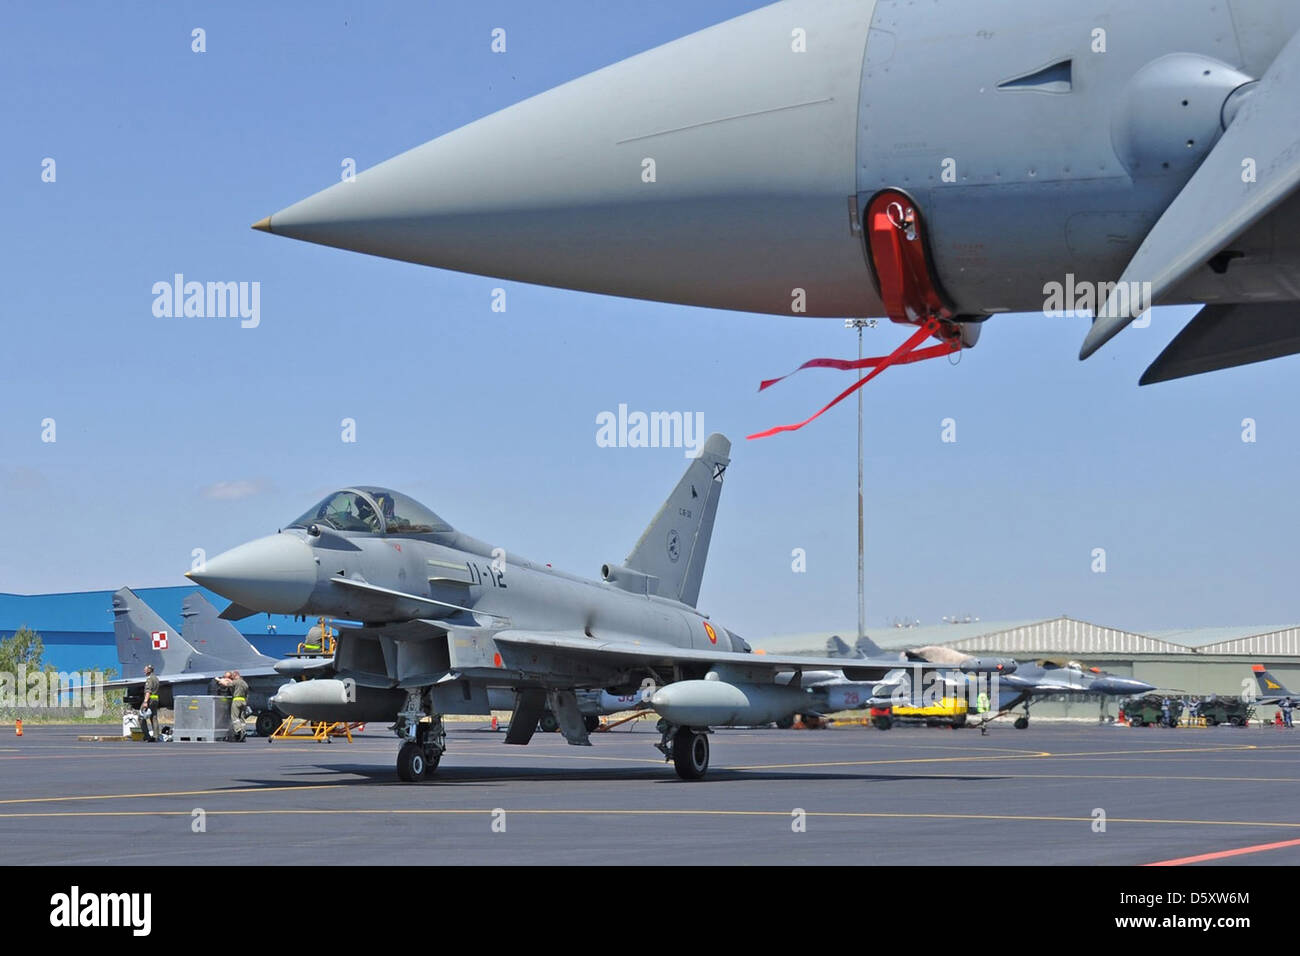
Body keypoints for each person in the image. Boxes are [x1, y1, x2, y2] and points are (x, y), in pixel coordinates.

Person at [142, 665, 161, 742]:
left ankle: (147, 736)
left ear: (149, 670)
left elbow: (148, 691)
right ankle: (156, 736)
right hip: (155, 699)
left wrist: (145, 701)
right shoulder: (156, 678)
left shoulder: (149, 679)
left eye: (145, 669)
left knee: (141, 717)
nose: (144, 670)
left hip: (150, 700)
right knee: (154, 717)